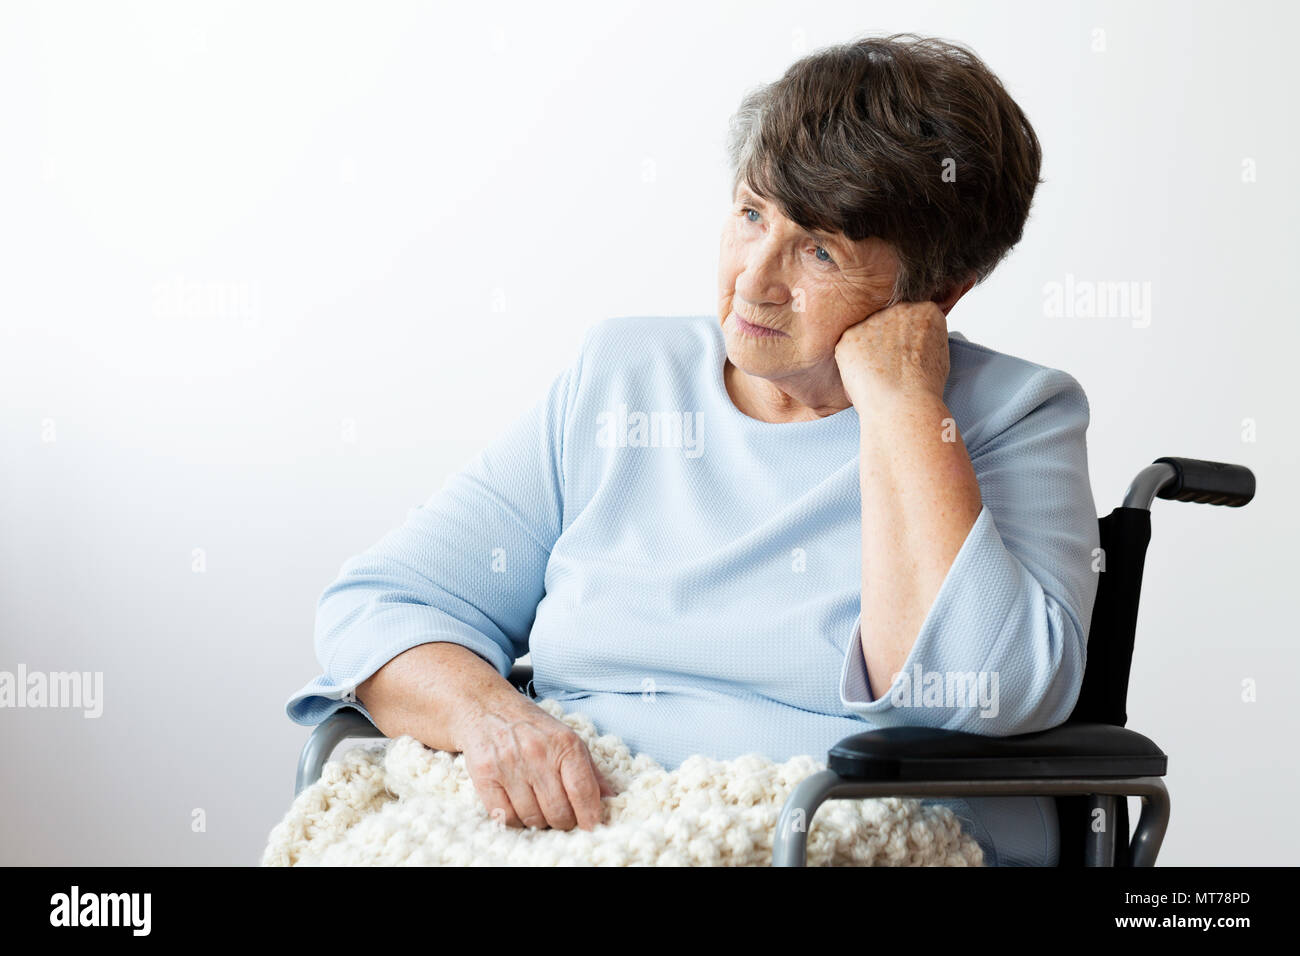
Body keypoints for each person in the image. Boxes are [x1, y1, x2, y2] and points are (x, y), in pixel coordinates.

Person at [286, 32, 1100, 866]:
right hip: (578, 819)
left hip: (829, 826)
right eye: (752, 214)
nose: (754, 279)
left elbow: (989, 691)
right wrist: (494, 719)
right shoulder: (621, 377)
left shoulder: (1013, 414)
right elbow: (380, 605)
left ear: (938, 291)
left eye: (819, 250)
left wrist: (902, 404)